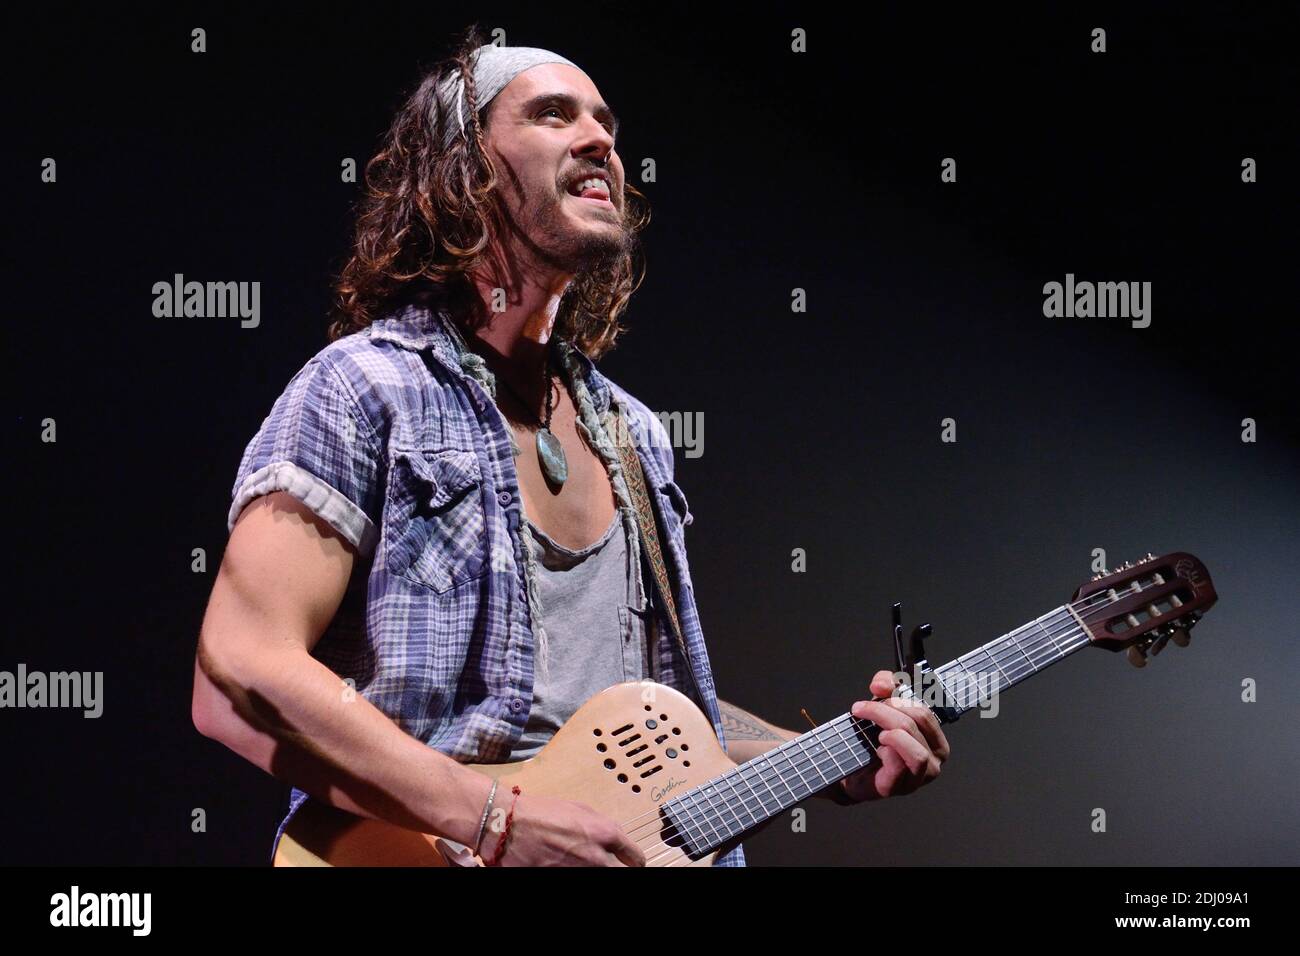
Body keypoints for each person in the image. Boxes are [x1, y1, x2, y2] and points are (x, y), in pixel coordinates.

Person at [190, 28, 949, 867]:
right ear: (462, 168)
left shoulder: (635, 436)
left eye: (607, 125)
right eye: (554, 115)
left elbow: (660, 735)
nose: (600, 141)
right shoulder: (367, 389)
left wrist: (838, 759)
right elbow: (239, 668)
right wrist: (493, 819)